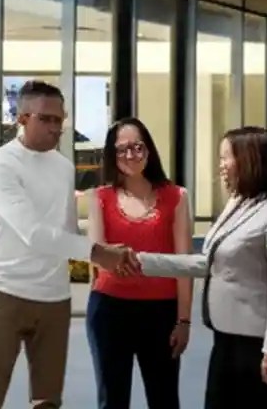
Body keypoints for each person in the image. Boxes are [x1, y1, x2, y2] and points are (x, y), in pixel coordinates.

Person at [0, 80, 138, 409]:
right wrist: (99, 253)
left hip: (53, 298)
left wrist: (94, 264)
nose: (55, 128)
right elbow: (32, 232)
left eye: (59, 120)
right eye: (45, 119)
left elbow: (65, 229)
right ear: (22, 119)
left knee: (48, 401)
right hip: (3, 292)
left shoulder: (63, 167)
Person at [124, 126, 267, 409]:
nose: (220, 167)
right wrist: (140, 261)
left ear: (250, 160)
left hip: (259, 345)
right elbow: (207, 262)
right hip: (227, 339)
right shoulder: (239, 203)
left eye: (225, 158)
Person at [85, 118, 192, 409]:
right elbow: (100, 256)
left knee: (165, 398)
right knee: (112, 399)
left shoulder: (176, 197)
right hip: (110, 310)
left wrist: (184, 320)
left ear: (149, 150)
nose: (130, 156)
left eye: (137, 147)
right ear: (111, 155)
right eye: (121, 150)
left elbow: (183, 264)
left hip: (162, 312)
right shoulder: (100, 197)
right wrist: (113, 260)